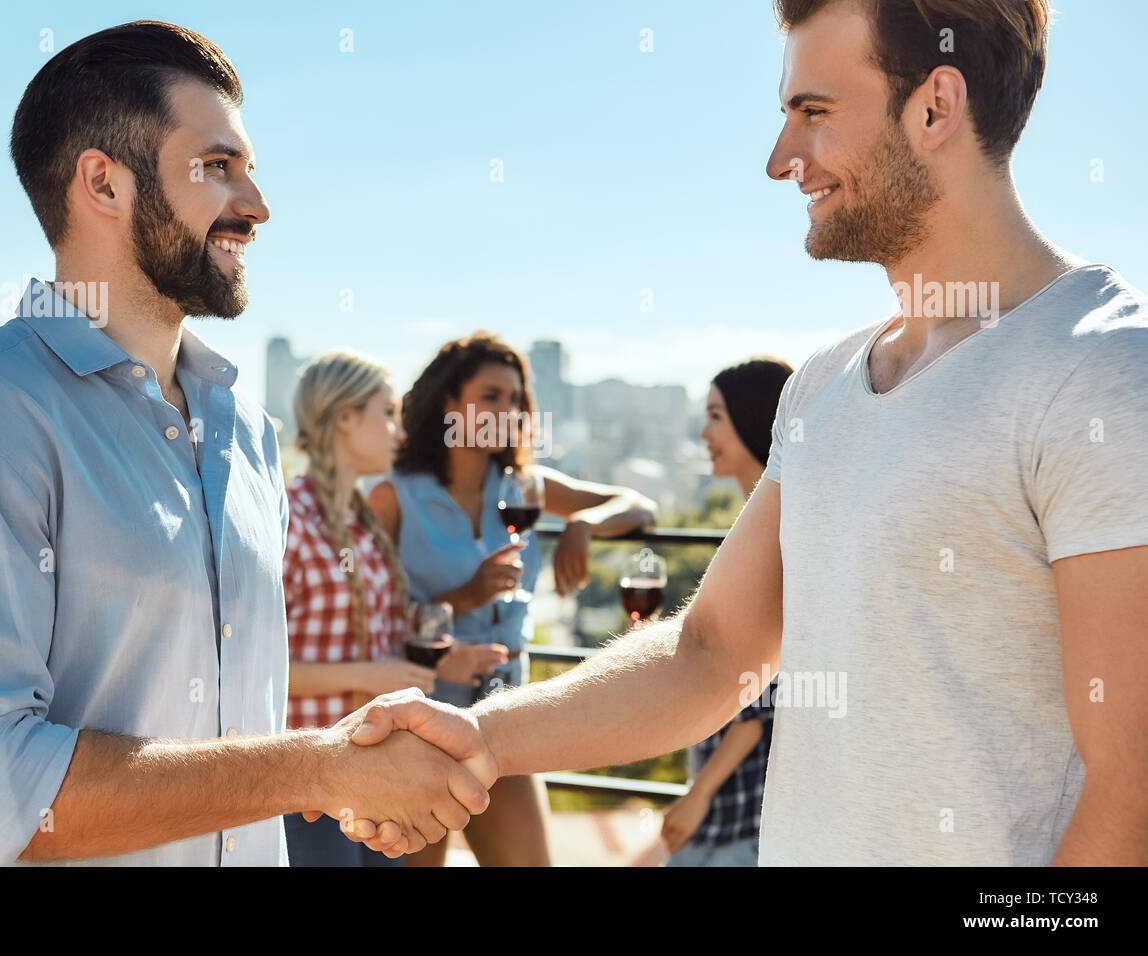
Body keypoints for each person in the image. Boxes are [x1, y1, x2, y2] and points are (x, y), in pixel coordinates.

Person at [330, 0, 1148, 866]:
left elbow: (1131, 793)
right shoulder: (824, 384)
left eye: (814, 113)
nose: (780, 158)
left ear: (936, 107)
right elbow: (711, 655)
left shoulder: (1098, 372)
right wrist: (475, 735)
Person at [0, 21, 487, 866]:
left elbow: (237, 734)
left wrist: (352, 773)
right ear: (103, 184)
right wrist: (316, 767)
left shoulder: (247, 435)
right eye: (218, 167)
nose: (257, 204)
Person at [362, 332, 658, 866]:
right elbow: (368, 624)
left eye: (516, 399)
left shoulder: (527, 487)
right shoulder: (394, 495)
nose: (508, 411)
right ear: (450, 403)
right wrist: (466, 596)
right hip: (417, 723)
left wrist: (583, 525)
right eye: (491, 396)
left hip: (507, 717)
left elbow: (638, 504)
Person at [281, 352, 510, 866]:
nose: (399, 432)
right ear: (344, 417)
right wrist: (373, 673)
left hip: (373, 776)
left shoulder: (361, 523)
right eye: (385, 413)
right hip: (309, 781)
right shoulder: (287, 518)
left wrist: (442, 661)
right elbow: (255, 666)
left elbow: (376, 631)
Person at [662, 358, 792, 867]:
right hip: (733, 808)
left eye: (716, 416)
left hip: (741, 812)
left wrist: (698, 795)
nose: (703, 432)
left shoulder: (776, 534)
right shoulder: (756, 524)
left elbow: (761, 704)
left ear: (752, 418)